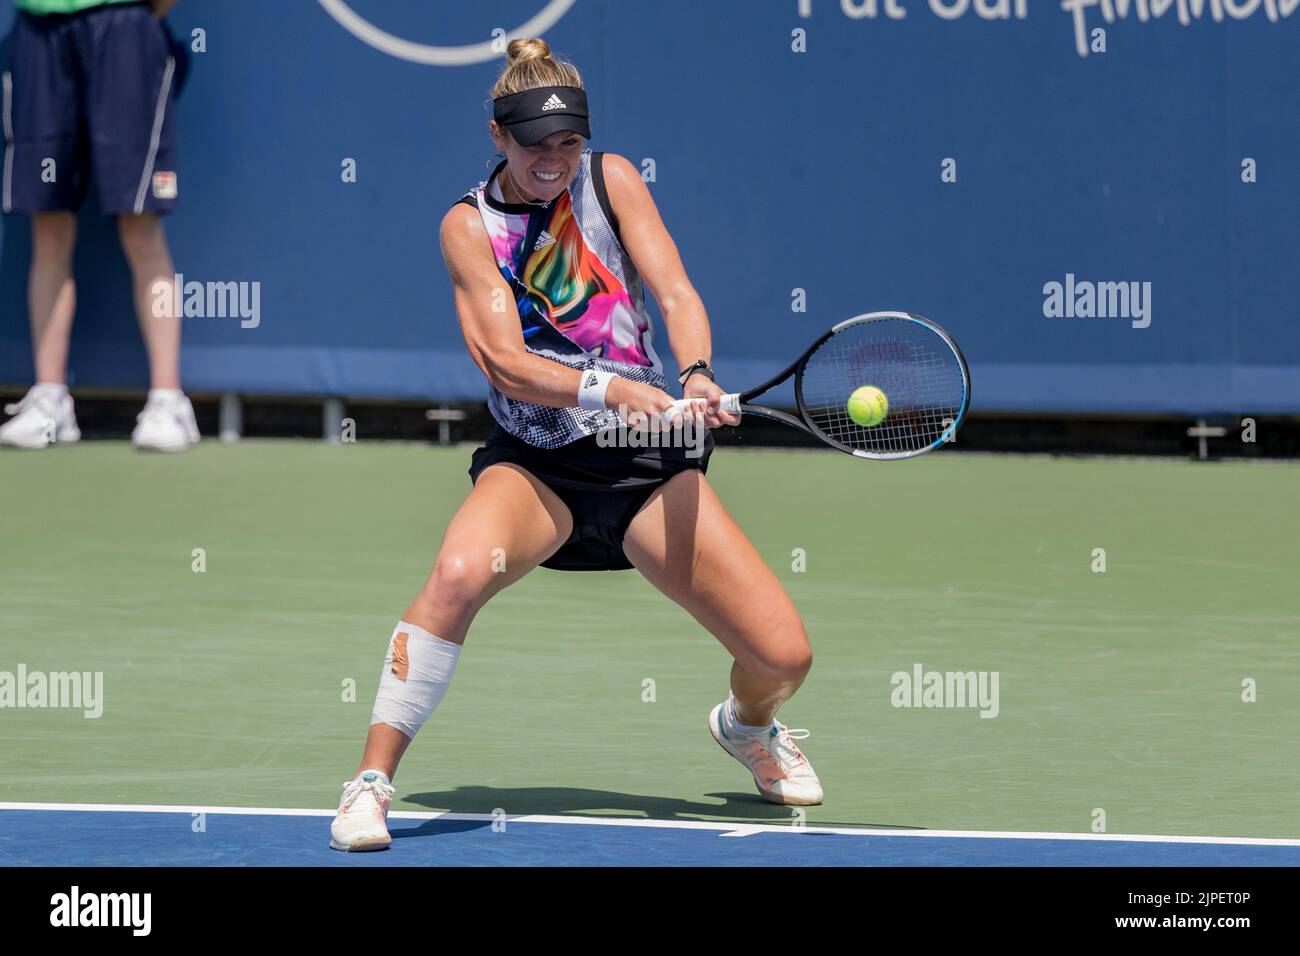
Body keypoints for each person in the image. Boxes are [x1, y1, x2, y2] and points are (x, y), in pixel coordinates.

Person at [330, 38, 821, 852]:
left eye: (569, 143)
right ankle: (370, 783)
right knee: (454, 578)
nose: (554, 161)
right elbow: (503, 363)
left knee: (783, 656)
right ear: (497, 137)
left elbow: (673, 291)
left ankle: (747, 726)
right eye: (535, 146)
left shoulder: (613, 179)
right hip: (540, 465)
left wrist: (694, 373)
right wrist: (610, 386)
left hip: (646, 466)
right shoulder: (466, 225)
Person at [0, 0, 197, 451]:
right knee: (47, 225)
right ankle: (50, 401)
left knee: (140, 224)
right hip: (40, 32)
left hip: (126, 25)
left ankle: (168, 400)